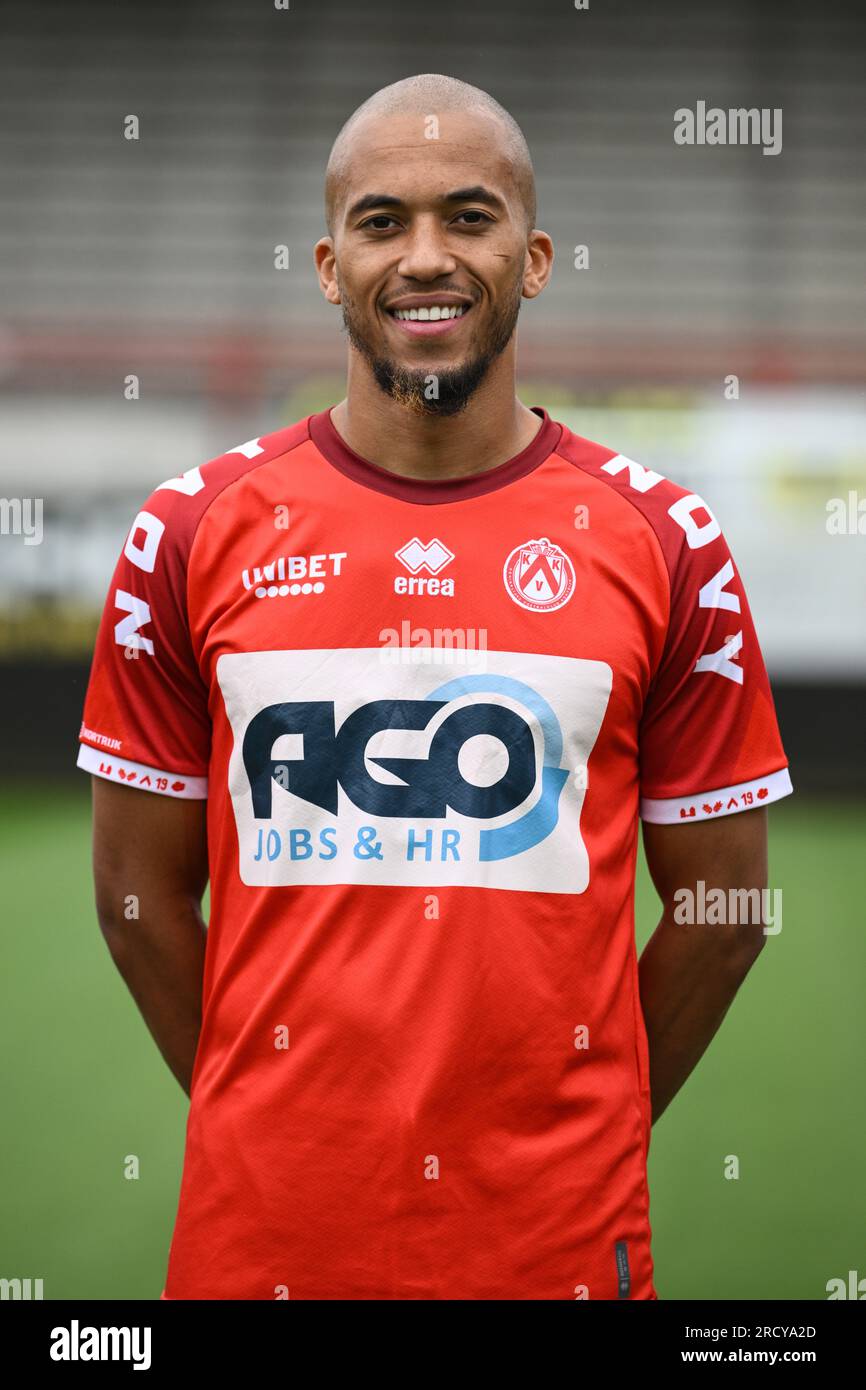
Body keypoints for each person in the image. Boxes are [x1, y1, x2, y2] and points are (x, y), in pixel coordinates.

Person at [78, 73, 792, 1300]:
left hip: (554, 1247)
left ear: (535, 257)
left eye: (468, 218)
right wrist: (276, 1124)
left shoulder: (665, 541)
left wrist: (578, 1129)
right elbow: (136, 893)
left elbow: (725, 911)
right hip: (264, 1246)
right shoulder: (188, 533)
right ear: (324, 263)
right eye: (380, 222)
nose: (424, 257)